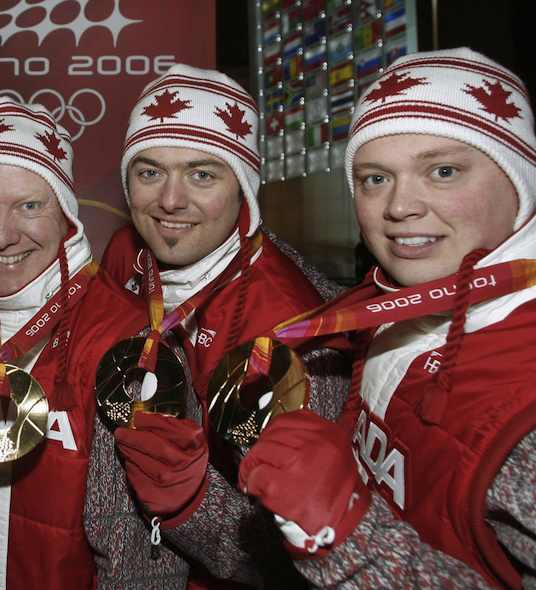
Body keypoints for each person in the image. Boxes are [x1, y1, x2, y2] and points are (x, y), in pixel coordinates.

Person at [240, 48, 536, 589]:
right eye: (375, 179)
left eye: (442, 171)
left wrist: (350, 536)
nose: (399, 207)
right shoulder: (393, 300)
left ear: (520, 180)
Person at [87, 64, 349, 588]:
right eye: (149, 172)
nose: (169, 201)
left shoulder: (296, 330)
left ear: (244, 188)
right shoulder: (126, 253)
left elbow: (291, 560)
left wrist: (191, 500)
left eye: (202, 174)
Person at [0, 97, 153, 590]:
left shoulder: (125, 337)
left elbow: (138, 564)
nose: (1, 236)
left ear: (66, 212)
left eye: (29, 206)